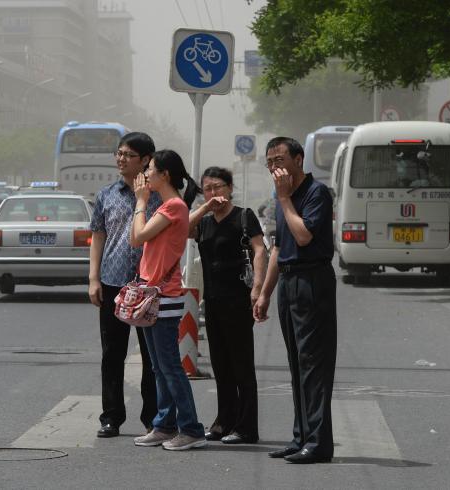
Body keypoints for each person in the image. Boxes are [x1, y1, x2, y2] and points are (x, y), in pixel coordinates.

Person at [253, 137, 337, 464]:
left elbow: (303, 235)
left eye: (280, 159)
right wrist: (264, 293)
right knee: (297, 364)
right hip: (288, 281)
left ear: (299, 159)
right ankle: (300, 436)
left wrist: (285, 199)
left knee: (313, 365)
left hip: (312, 280)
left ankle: (318, 444)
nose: (275, 166)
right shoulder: (281, 196)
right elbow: (278, 247)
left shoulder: (316, 193)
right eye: (270, 161)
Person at [129, 149, 207, 451]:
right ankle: (164, 424)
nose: (146, 174)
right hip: (152, 293)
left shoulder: (172, 206)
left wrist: (140, 201)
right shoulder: (169, 205)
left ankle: (191, 428)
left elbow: (137, 238)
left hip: (164, 296)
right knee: (159, 367)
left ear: (165, 175)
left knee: (170, 367)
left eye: (150, 169)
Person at [188, 166, 267, 444]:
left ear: (230, 188)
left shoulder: (243, 216)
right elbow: (183, 229)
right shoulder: (205, 222)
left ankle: (246, 427)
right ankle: (224, 422)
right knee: (221, 365)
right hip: (213, 301)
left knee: (241, 365)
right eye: (208, 188)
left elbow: (259, 250)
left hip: (238, 300)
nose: (213, 193)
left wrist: (257, 288)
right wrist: (205, 207)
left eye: (218, 187)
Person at [89, 132, 160, 438]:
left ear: (145, 160)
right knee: (112, 354)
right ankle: (111, 417)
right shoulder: (106, 195)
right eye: (118, 154)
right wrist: (93, 278)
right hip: (112, 282)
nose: (120, 159)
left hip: (148, 285)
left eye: (127, 155)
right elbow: (98, 236)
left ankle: (153, 417)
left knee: (152, 356)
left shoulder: (159, 195)